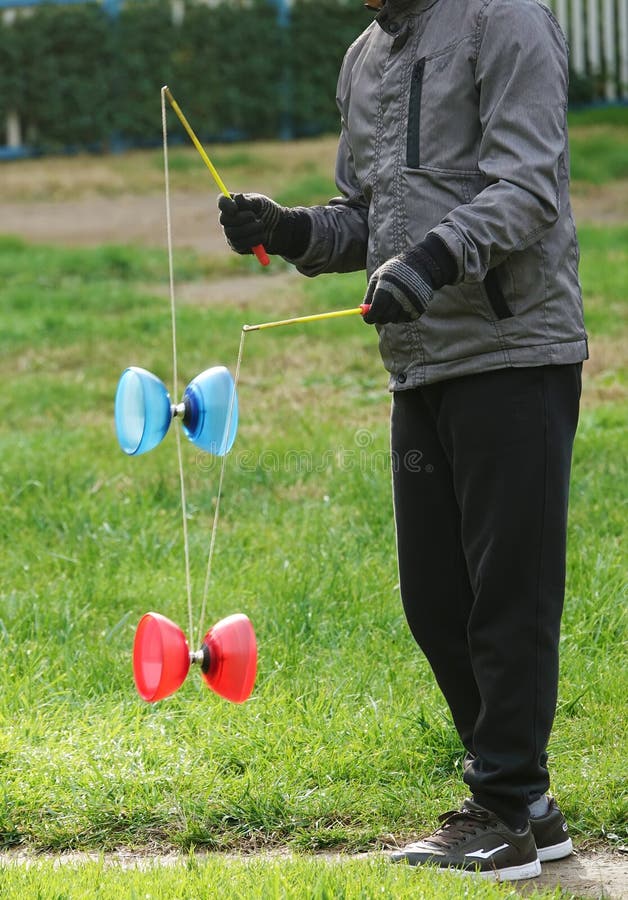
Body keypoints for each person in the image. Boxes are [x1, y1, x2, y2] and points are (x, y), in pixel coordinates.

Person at [218, 0, 587, 882]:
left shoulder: (508, 21)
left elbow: (528, 189)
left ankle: (503, 806)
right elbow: (368, 217)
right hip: (419, 365)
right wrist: (289, 229)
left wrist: (430, 261)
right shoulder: (365, 55)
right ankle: (529, 807)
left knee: (508, 597)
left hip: (513, 353)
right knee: (435, 601)